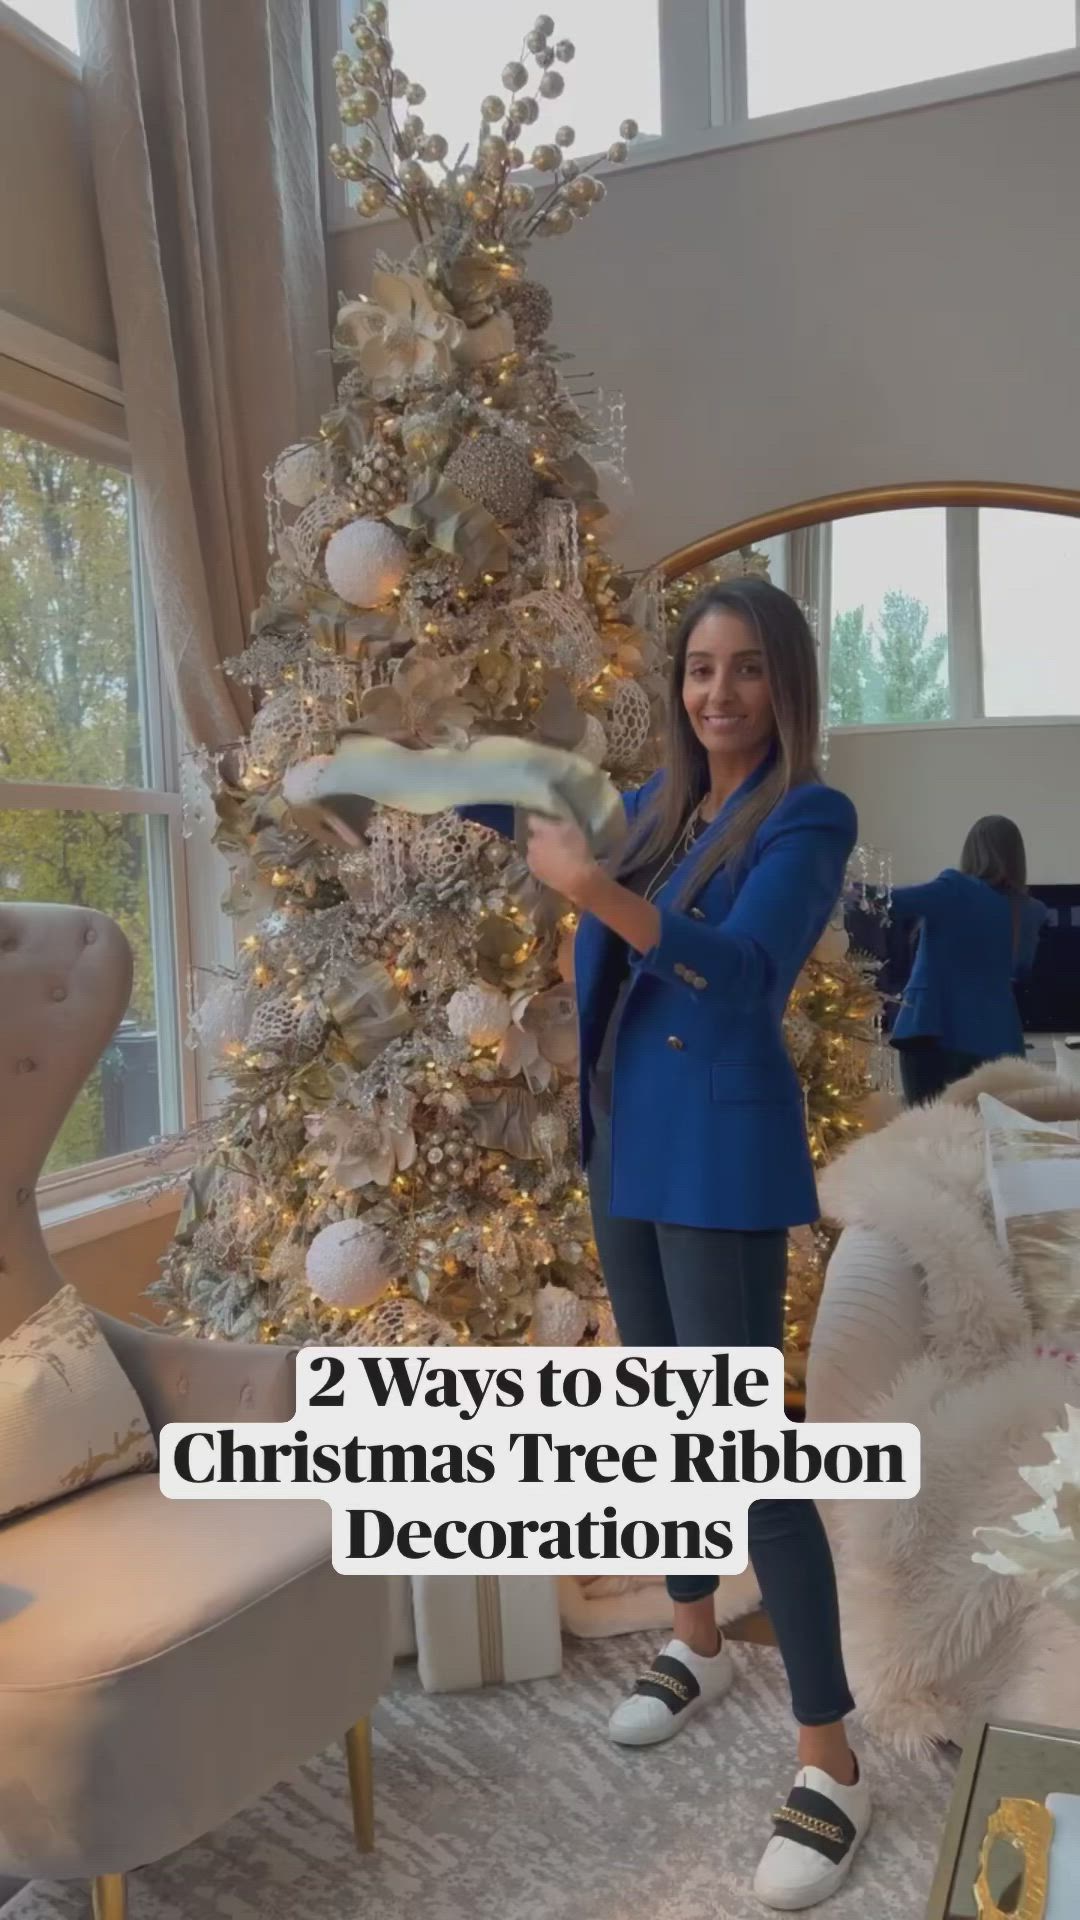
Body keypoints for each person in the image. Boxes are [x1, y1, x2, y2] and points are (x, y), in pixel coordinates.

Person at [473, 579, 867, 1910]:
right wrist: (381, 771)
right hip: (626, 1151)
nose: (717, 694)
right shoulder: (652, 807)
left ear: (783, 686)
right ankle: (694, 1635)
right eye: (700, 670)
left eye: (745, 671)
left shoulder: (807, 812)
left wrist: (594, 889)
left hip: (719, 1161)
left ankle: (831, 1762)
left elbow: (747, 972)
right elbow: (530, 819)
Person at [888, 815, 1049, 1106]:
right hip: (999, 1040)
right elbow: (1020, 967)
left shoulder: (954, 887)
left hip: (932, 1029)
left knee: (929, 1135)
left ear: (972, 850)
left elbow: (889, 902)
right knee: (992, 1137)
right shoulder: (1032, 911)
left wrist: (837, 886)